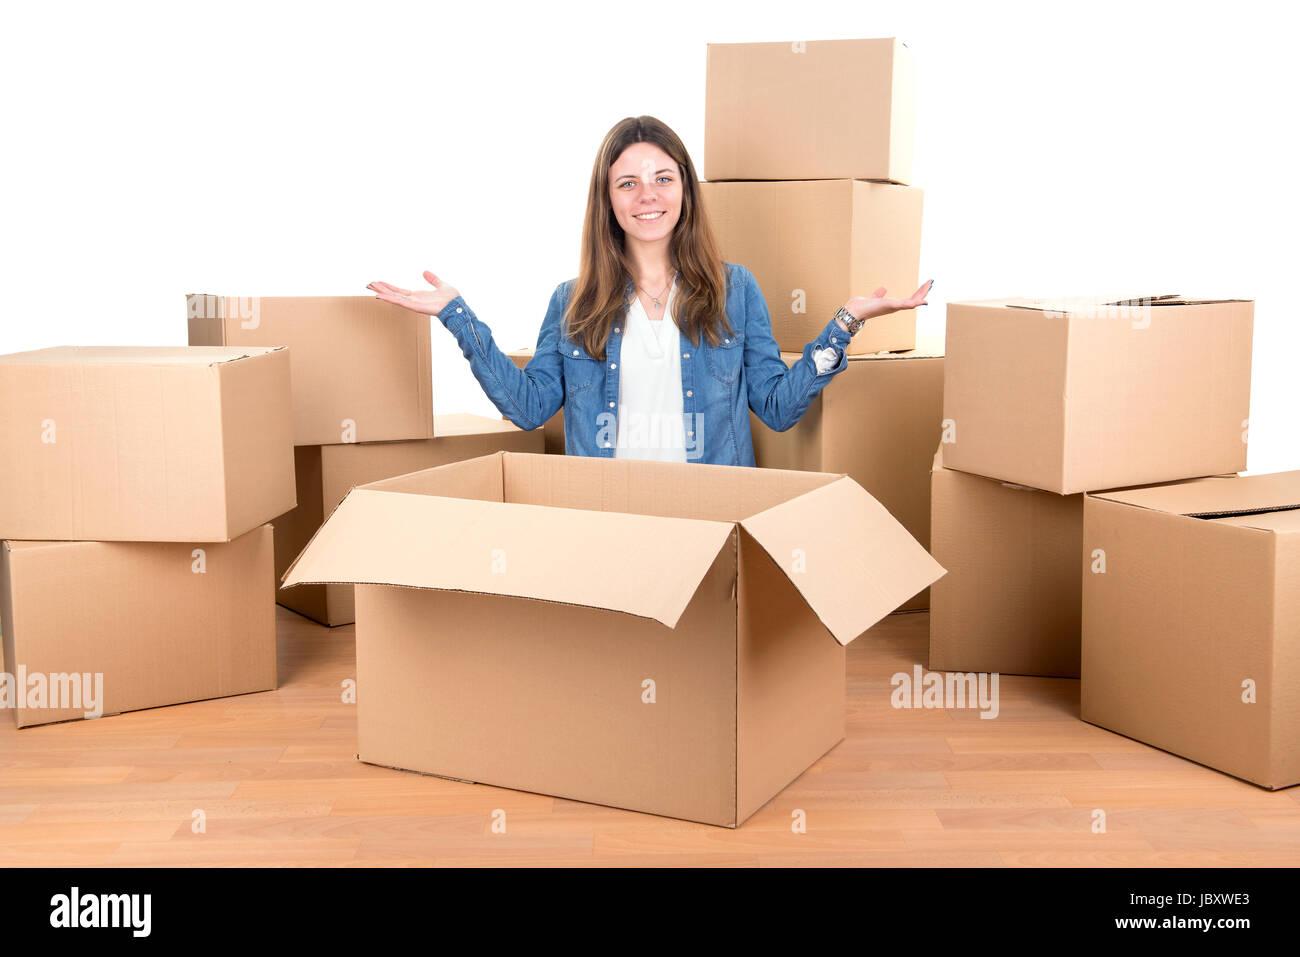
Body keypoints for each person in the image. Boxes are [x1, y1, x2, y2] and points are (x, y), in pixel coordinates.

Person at [369, 115, 931, 467]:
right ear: (608, 200)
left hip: (712, 516)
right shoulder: (572, 302)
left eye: (663, 178)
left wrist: (845, 323)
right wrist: (457, 317)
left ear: (684, 187)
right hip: (610, 521)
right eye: (628, 183)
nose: (648, 196)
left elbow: (779, 410)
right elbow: (528, 407)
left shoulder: (735, 290)